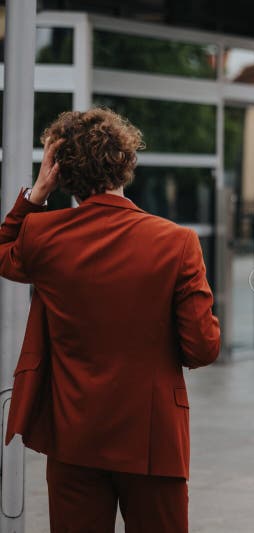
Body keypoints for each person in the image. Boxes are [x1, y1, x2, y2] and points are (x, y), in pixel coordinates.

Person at [0, 108, 220, 532]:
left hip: (73, 434)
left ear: (62, 173)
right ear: (126, 161)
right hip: (152, 437)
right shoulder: (176, 242)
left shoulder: (43, 236)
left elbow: (3, 249)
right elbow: (203, 348)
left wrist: (36, 195)